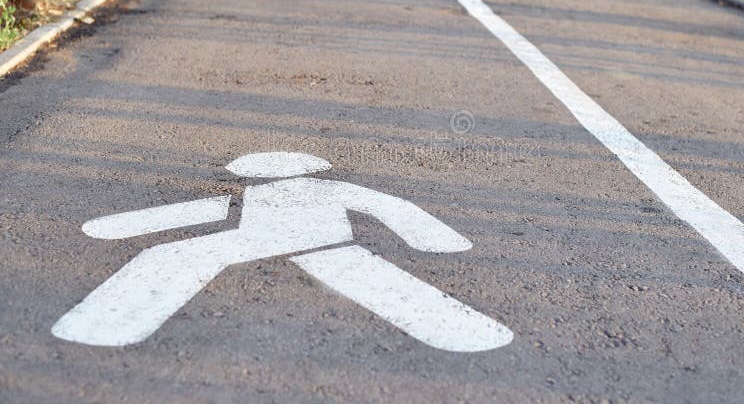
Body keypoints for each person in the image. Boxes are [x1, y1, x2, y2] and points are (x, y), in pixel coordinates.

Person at [52, 152, 513, 352]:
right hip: (300, 245)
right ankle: (106, 325)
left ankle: (107, 325)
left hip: (323, 246)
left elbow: (388, 205)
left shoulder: (328, 187)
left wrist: (429, 235)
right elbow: (209, 208)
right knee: (381, 282)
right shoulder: (283, 190)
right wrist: (119, 225)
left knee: (172, 257)